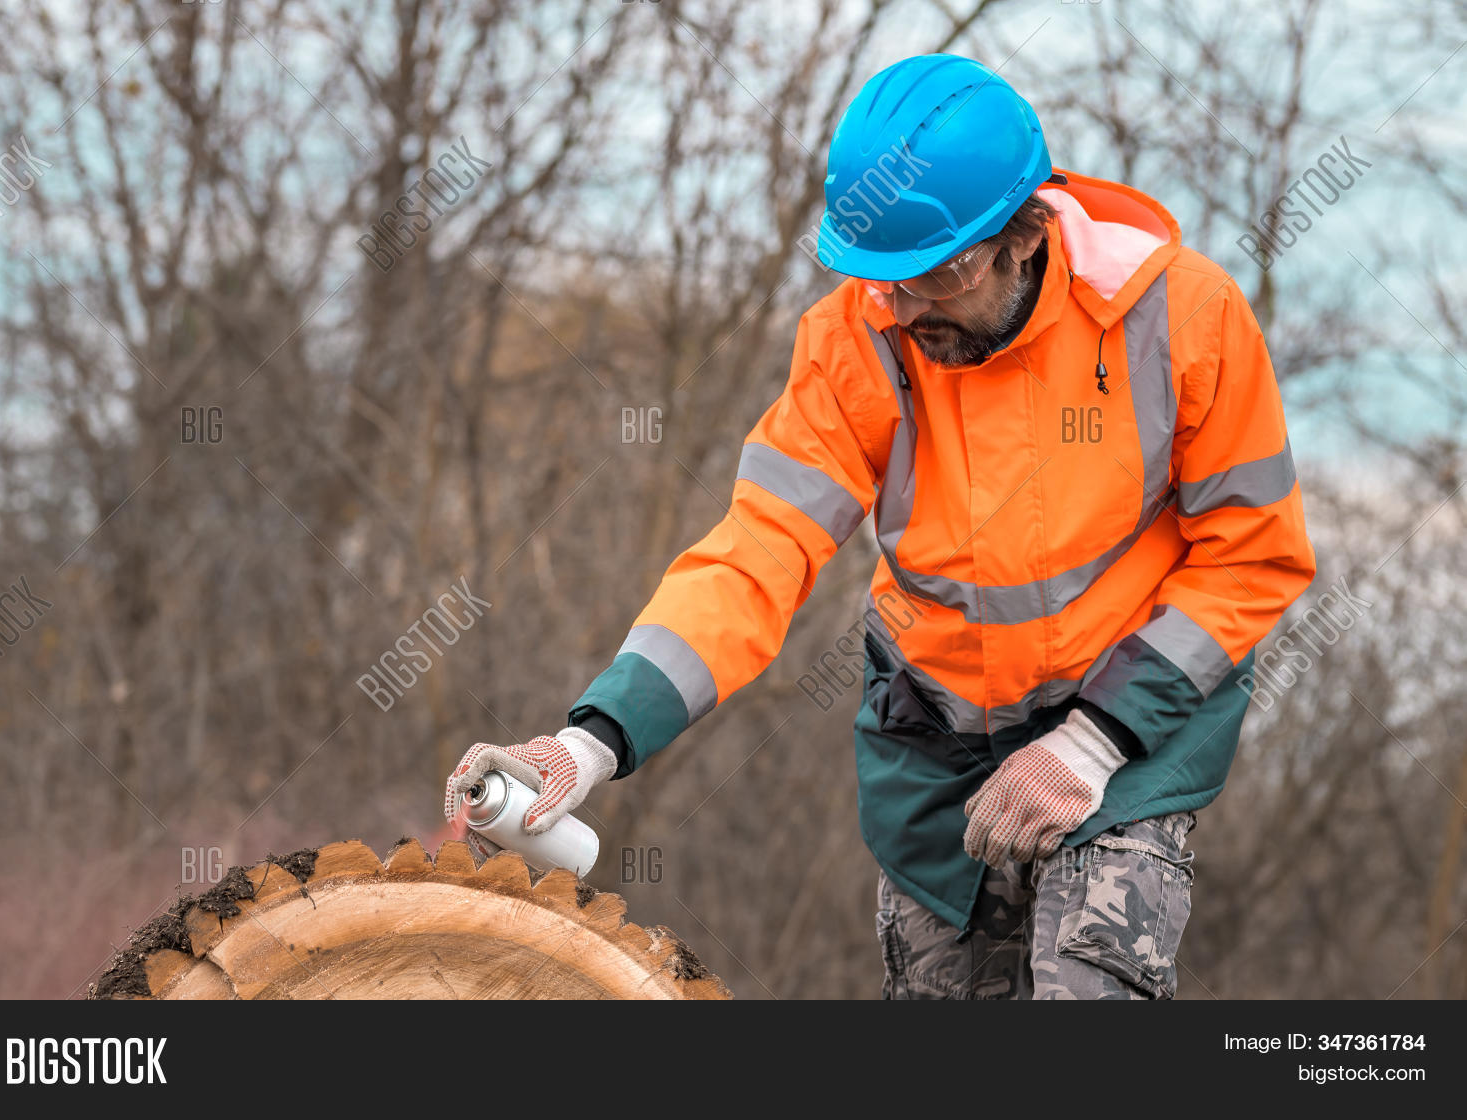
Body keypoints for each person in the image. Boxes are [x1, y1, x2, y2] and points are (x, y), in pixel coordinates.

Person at [443, 54, 1315, 999]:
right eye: (878, 278)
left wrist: (1092, 741)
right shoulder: (853, 341)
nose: (899, 308)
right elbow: (757, 551)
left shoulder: (1186, 319)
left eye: (932, 277)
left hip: (1129, 733)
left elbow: (1253, 556)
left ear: (1024, 236)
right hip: (936, 745)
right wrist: (595, 738)